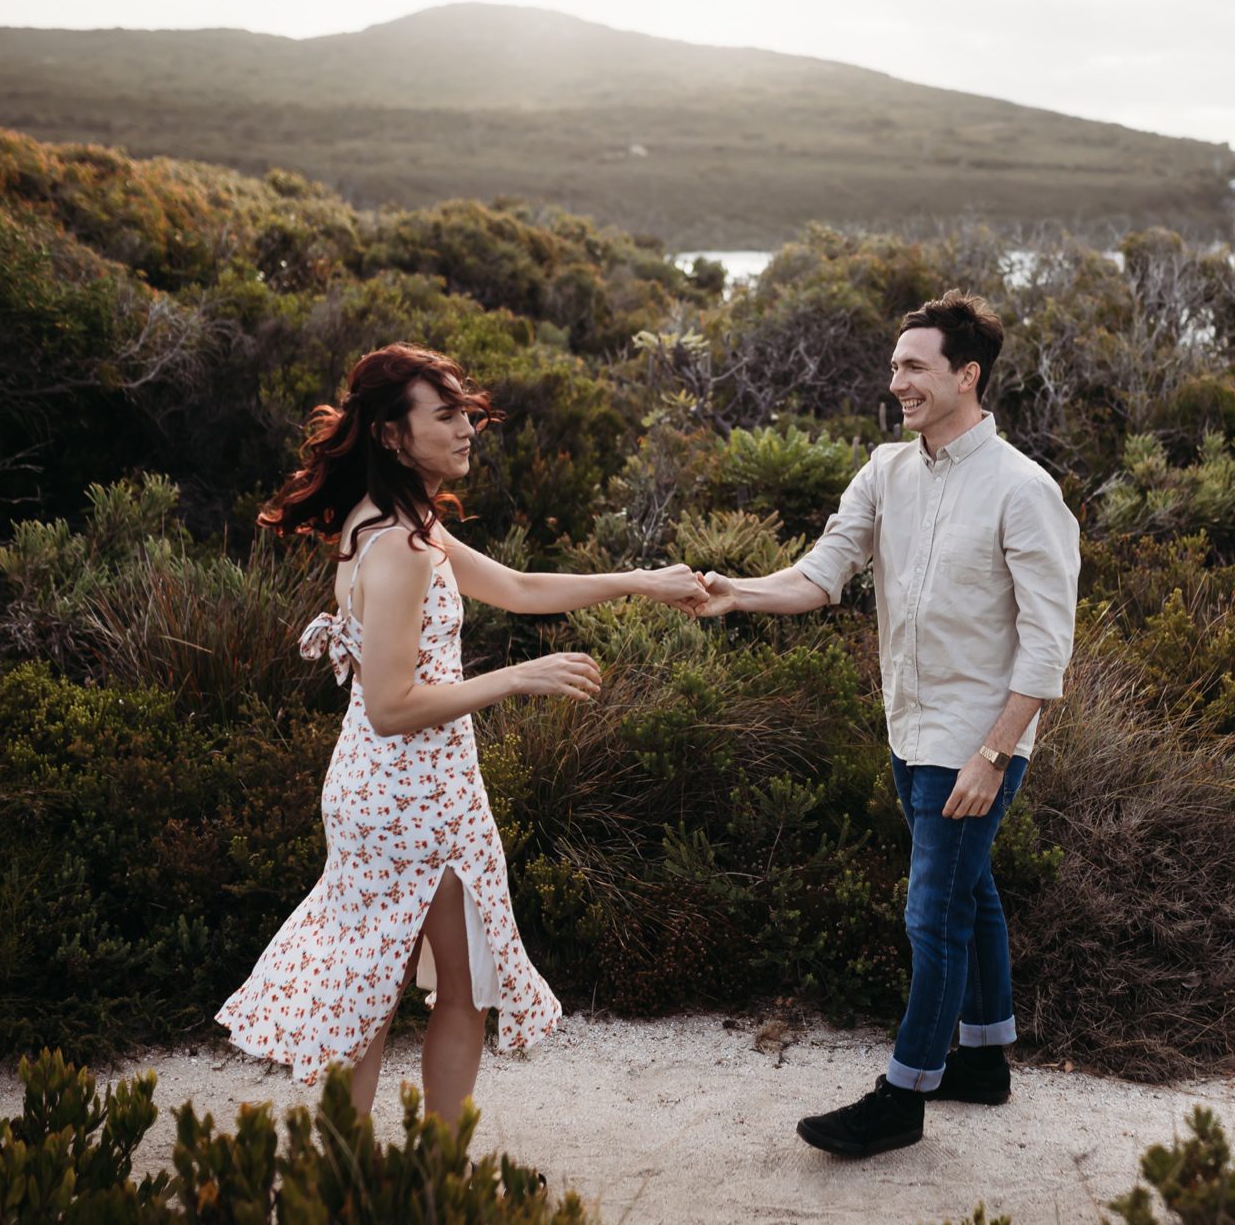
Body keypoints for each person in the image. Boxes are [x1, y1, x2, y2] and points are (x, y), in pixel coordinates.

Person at [216, 342, 707, 1121]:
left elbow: (516, 588)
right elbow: (391, 703)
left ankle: (350, 1183)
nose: (467, 428)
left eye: (466, 413)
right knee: (455, 989)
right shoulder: (405, 547)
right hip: (415, 801)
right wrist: (516, 679)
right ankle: (434, 1182)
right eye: (444, 416)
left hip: (386, 790)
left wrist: (641, 582)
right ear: (390, 434)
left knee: (369, 993)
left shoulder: (393, 525)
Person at [694, 291, 1079, 1156]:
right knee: (970, 895)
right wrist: (734, 595)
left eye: (913, 366)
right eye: (895, 365)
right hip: (909, 728)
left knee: (930, 913)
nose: (895, 380)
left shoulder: (1025, 489)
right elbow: (820, 575)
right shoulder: (885, 471)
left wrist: (993, 754)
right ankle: (984, 1060)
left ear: (965, 375)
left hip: (976, 742)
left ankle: (903, 1096)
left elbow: (1049, 649)